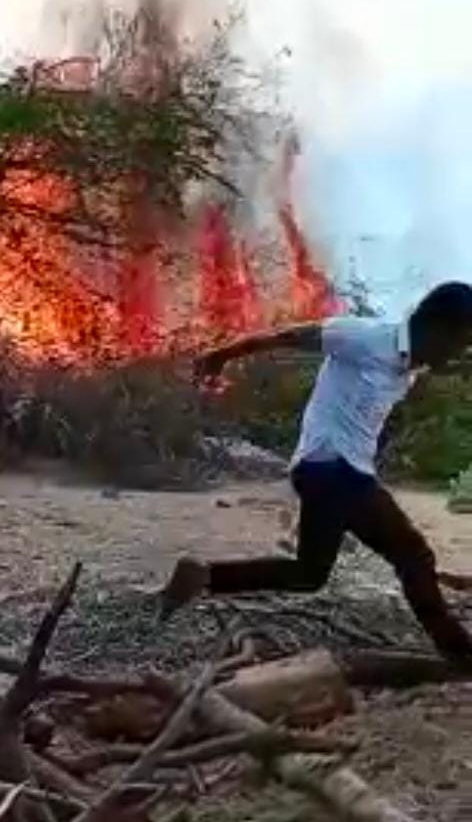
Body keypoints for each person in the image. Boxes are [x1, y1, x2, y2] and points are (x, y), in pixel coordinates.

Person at [159, 281, 472, 664]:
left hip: (340, 472)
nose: (460, 352)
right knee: (413, 554)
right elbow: (288, 336)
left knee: (309, 575)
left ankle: (203, 577)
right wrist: (221, 355)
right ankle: (458, 651)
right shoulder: (365, 337)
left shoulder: (406, 371)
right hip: (331, 468)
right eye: (461, 341)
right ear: (439, 328)